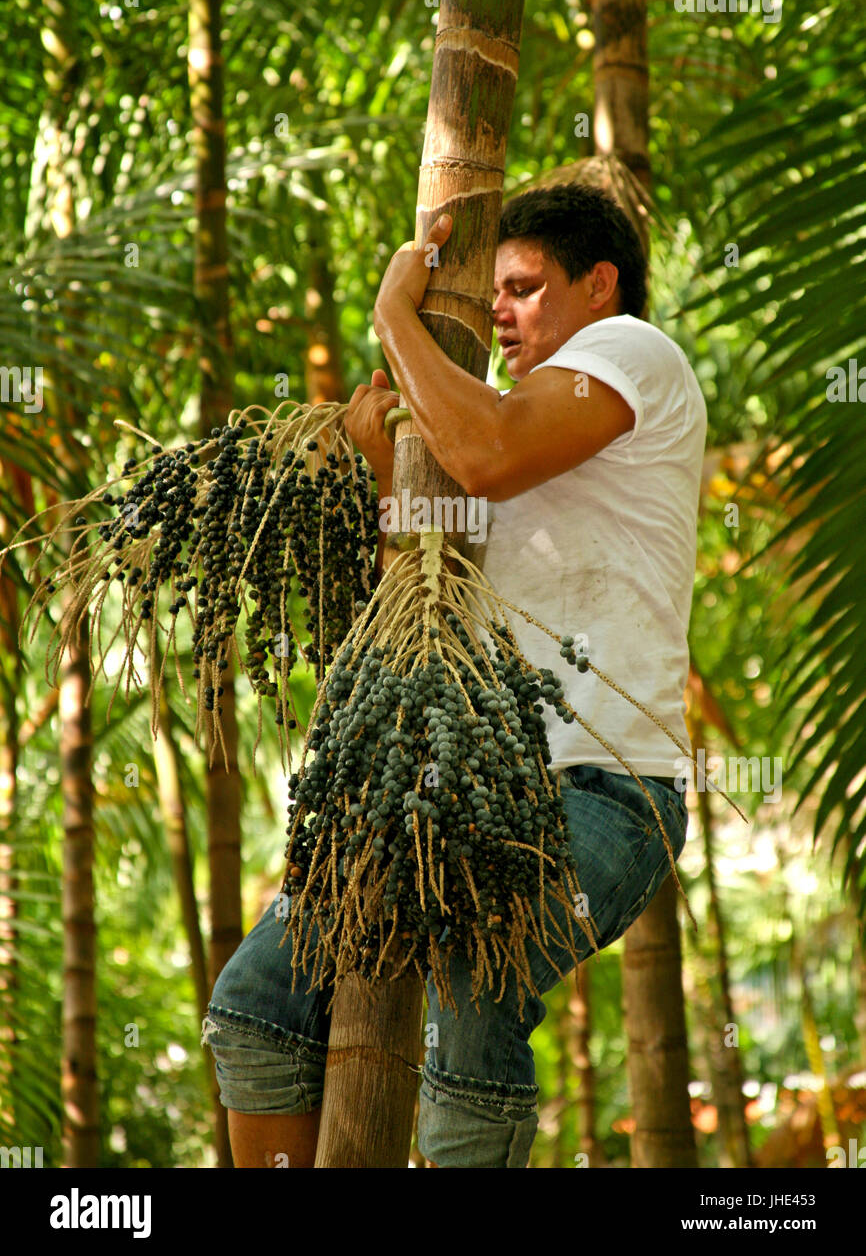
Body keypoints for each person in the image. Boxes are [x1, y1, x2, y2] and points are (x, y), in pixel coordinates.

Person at [201, 181, 707, 1168]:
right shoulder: (510, 418)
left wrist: (397, 314)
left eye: (522, 288)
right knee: (256, 1004)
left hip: (604, 788)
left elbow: (483, 454)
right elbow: (423, 568)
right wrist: (381, 460)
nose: (503, 316)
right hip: (459, 789)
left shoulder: (628, 353)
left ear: (598, 285)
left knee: (474, 982)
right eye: (493, 294)